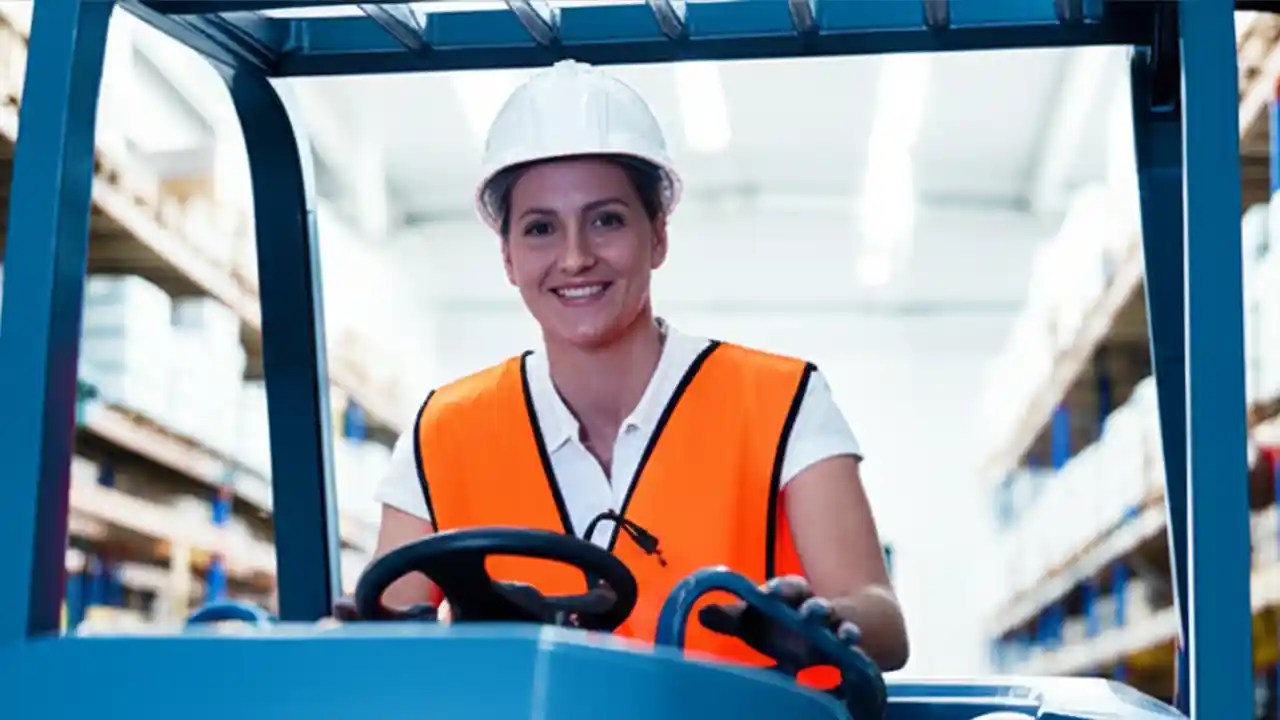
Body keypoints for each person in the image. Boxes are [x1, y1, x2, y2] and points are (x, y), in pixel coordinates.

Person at [365, 59, 909, 676]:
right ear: (509, 257)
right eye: (541, 228)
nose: (574, 257)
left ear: (658, 236)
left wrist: (819, 624)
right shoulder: (443, 430)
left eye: (606, 220)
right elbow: (383, 640)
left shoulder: (784, 402)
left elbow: (883, 621)